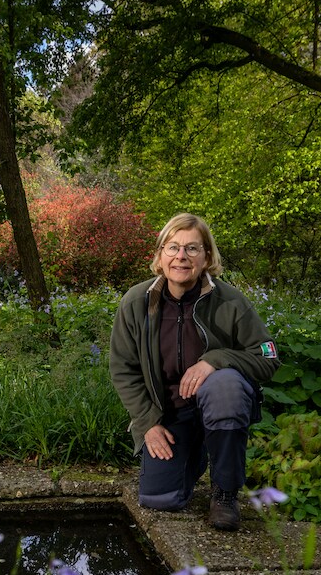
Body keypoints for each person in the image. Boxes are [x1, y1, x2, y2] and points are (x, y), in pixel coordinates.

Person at [109, 213, 279, 531]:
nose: (181, 257)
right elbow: (123, 369)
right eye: (173, 247)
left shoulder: (231, 302)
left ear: (207, 257)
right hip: (170, 413)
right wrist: (148, 423)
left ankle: (225, 493)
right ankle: (197, 450)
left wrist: (215, 360)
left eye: (192, 248)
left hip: (217, 400)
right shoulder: (136, 302)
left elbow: (267, 357)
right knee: (160, 499)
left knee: (225, 385)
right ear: (160, 256)